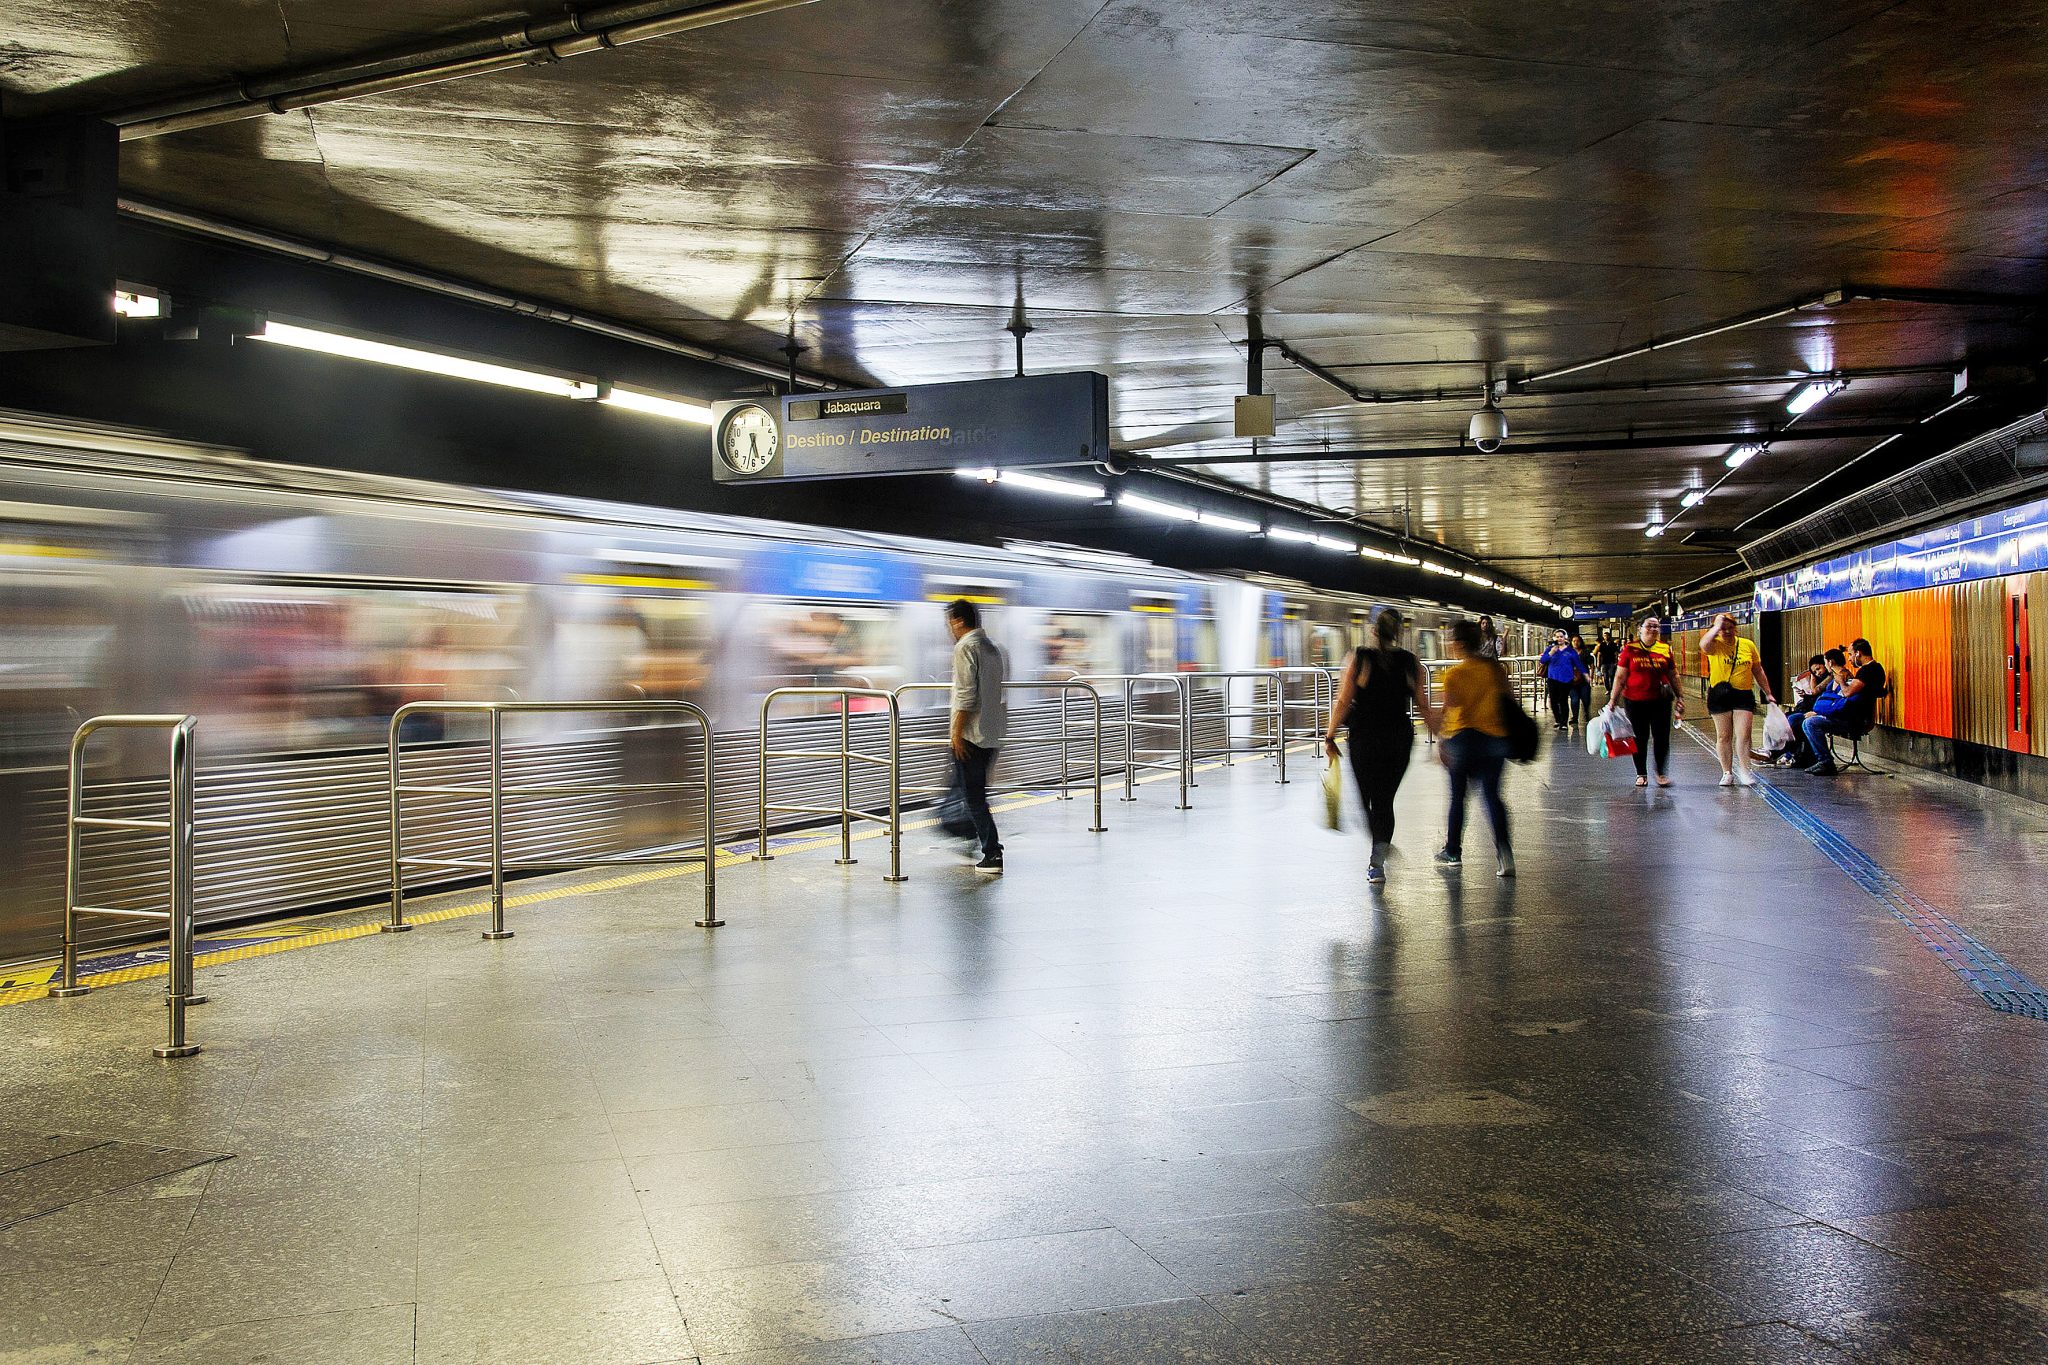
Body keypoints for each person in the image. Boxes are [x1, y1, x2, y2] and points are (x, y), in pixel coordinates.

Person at [1324, 608, 1434, 884]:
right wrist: (1442, 737)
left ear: (1373, 630)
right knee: (1384, 800)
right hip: (1399, 739)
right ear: (1398, 632)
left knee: (1365, 800)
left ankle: (1378, 852)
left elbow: (1342, 701)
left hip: (1365, 739)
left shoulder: (1359, 659)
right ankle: (1379, 854)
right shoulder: (1411, 663)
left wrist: (1329, 735)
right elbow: (1422, 705)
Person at [1433, 619, 1515, 877]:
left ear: (1458, 644)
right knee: (1492, 796)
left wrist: (1441, 741)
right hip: (1493, 739)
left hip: (1462, 740)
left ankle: (1453, 851)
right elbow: (1509, 702)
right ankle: (1504, 854)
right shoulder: (1494, 671)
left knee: (1458, 797)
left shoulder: (1454, 675)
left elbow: (1448, 711)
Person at [945, 599, 1008, 873]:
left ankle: (991, 852)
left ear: (959, 621)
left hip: (971, 734)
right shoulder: (993, 648)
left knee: (973, 797)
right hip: (992, 732)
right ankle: (980, 841)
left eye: (950, 624)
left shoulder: (965, 647)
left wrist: (957, 734)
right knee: (975, 794)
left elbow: (966, 695)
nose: (950, 630)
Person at [1700, 613, 1776, 787]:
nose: (1726, 632)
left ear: (1736, 628)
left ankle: (1744, 770)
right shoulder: (1715, 645)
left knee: (1744, 734)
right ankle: (1727, 772)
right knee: (1724, 736)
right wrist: (1716, 627)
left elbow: (1758, 670)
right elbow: (1703, 645)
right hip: (1719, 693)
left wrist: (1768, 692)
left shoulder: (1747, 645)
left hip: (1742, 694)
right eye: (1722, 629)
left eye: (1730, 628)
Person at [1609, 617, 1682, 788]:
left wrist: (1681, 696)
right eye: (1649, 626)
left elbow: (1673, 674)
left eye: (1656, 626)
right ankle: (1641, 773)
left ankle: (1661, 773)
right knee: (1639, 738)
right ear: (1640, 629)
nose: (1653, 629)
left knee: (1662, 737)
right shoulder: (1630, 649)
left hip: (1661, 700)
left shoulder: (1665, 649)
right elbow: (1620, 676)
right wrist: (1613, 699)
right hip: (1635, 701)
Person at [1802, 638, 1886, 777]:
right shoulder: (1872, 669)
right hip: (1851, 715)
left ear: (1858, 653)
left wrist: (1841, 681)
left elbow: (1847, 693)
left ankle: (1825, 761)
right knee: (1806, 721)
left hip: (1855, 719)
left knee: (1811, 723)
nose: (1850, 659)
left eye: (1851, 655)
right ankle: (1818, 759)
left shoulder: (1867, 671)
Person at [1536, 629, 1584, 730]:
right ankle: (1558, 719)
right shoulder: (1550, 648)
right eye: (1557, 637)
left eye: (1561, 636)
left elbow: (1577, 662)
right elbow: (1542, 660)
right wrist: (1551, 653)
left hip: (1566, 679)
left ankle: (1564, 723)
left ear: (1565, 638)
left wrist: (1585, 674)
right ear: (1554, 638)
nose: (1559, 638)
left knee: (1563, 700)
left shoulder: (1570, 650)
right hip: (1552, 678)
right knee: (1553, 700)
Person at [1569, 633, 1595, 726]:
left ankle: (1586, 713)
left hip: (1584, 681)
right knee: (1574, 699)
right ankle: (1575, 717)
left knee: (1586, 699)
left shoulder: (1585, 652)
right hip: (1572, 681)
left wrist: (1591, 677)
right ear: (1571, 642)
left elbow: (1591, 665)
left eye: (1577, 641)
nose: (1576, 643)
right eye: (1574, 641)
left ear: (1581, 642)